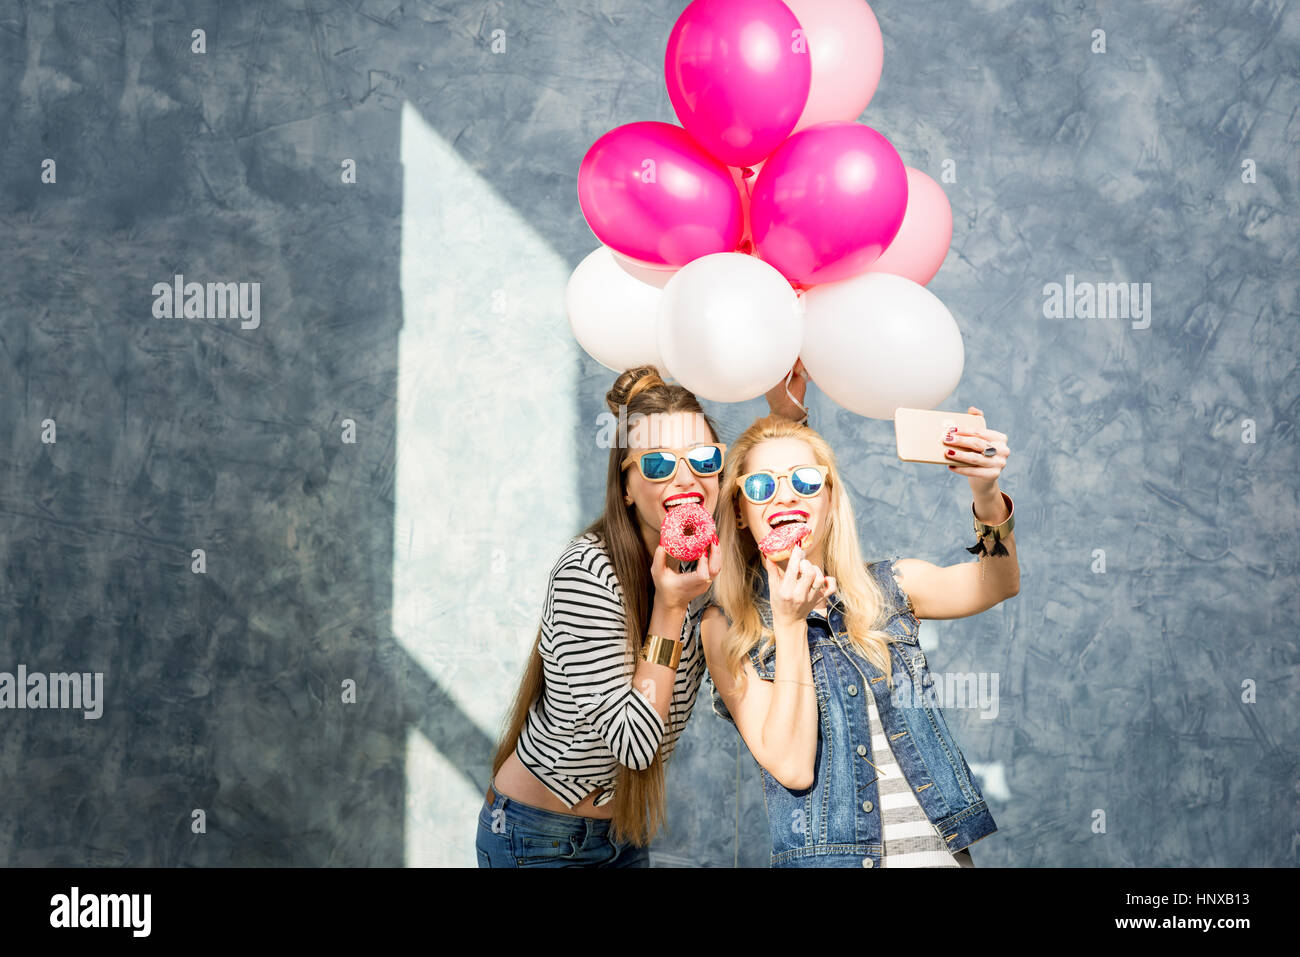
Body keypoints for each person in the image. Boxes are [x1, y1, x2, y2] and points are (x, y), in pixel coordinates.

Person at [701, 402, 1019, 868]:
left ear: (829, 501)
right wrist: (790, 625)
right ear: (742, 512)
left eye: (805, 481)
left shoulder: (891, 588)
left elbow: (999, 582)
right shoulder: (725, 626)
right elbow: (791, 764)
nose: (785, 496)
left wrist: (986, 493)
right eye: (763, 485)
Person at [477, 364, 734, 867]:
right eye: (658, 466)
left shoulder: (705, 561)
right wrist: (670, 607)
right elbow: (635, 747)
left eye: (704, 458)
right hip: (537, 839)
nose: (687, 478)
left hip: (622, 834)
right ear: (626, 488)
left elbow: (787, 501)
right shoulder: (588, 573)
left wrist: (788, 414)